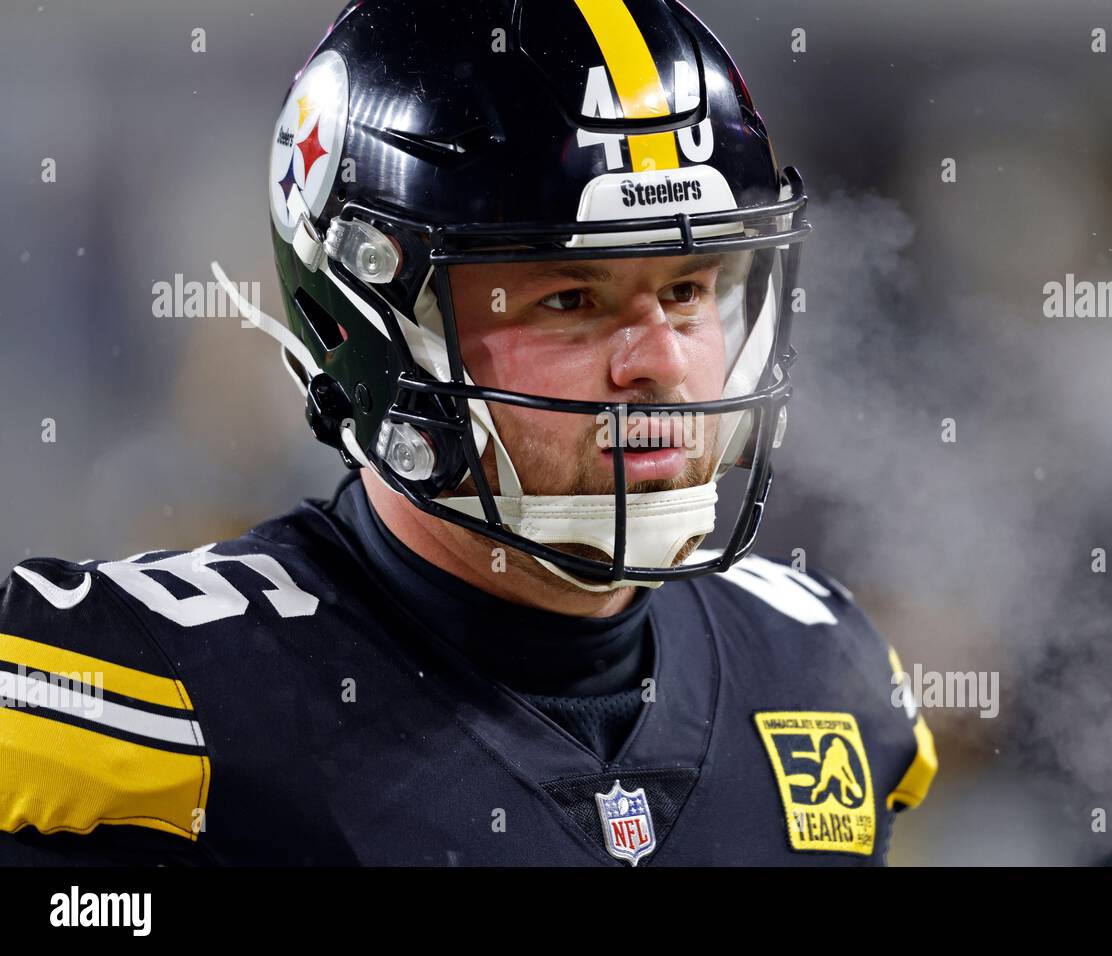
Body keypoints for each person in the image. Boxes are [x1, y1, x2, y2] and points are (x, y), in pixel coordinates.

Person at [0, 0, 934, 866]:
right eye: (572, 299)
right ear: (367, 326)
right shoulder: (155, 691)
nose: (661, 361)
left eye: (687, 290)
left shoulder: (822, 669)